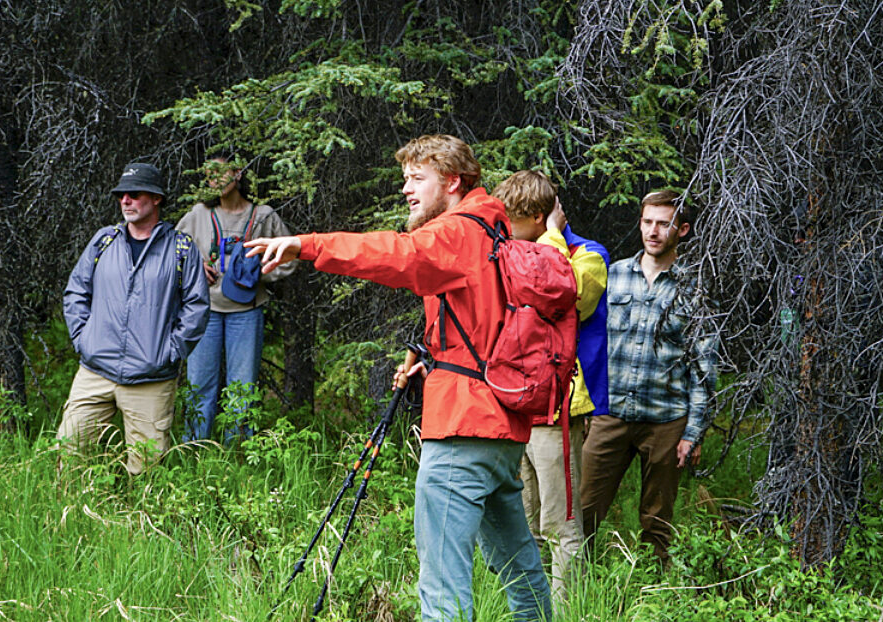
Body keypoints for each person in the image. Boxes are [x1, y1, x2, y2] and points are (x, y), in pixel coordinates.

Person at [248, 135, 553, 622]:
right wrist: (429, 354)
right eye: (404, 179)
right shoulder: (494, 231)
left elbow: (397, 255)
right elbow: (481, 321)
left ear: (452, 182)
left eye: (417, 178)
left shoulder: (457, 231)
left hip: (461, 430)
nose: (406, 190)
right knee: (519, 566)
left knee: (442, 584)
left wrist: (306, 246)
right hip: (500, 429)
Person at [579, 190, 717, 562]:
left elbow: (703, 367)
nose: (653, 231)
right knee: (584, 508)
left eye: (664, 223)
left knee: (657, 519)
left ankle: (654, 591)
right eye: (647, 222)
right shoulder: (614, 276)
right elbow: (589, 345)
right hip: (610, 413)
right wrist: (586, 406)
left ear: (682, 229)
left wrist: (693, 432)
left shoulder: (694, 288)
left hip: (665, 420)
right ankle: (579, 586)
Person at [492, 170, 609, 599]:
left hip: (558, 407)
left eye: (515, 223)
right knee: (523, 519)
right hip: (515, 405)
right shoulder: (514, 252)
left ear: (540, 218)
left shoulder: (588, 256)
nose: (506, 233)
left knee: (560, 523)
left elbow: (565, 293)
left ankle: (565, 610)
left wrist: (553, 238)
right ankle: (527, 605)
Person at [59, 159, 210, 475]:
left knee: (147, 469)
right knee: (71, 453)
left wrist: (170, 352)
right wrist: (83, 339)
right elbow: (76, 292)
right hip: (95, 370)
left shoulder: (181, 248)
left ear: (156, 198)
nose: (125, 200)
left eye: (135, 194)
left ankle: (140, 524)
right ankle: (73, 520)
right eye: (121, 194)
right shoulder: (104, 241)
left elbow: (196, 306)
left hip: (151, 378)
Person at [176, 156, 296, 441]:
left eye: (219, 172)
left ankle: (239, 454)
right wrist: (193, 270)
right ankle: (193, 450)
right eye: (208, 174)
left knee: (242, 386)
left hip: (247, 310)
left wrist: (257, 274)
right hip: (205, 310)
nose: (213, 179)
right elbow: (172, 254)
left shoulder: (263, 215)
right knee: (199, 384)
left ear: (238, 173)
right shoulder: (198, 215)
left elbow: (290, 258)